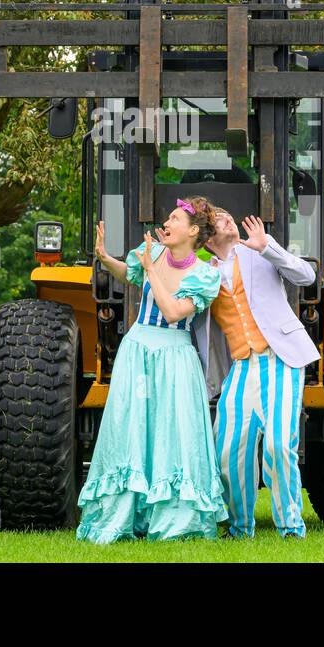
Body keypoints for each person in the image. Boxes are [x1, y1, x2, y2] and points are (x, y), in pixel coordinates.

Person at [77, 197, 227, 543]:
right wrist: (105, 259)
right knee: (131, 429)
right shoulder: (151, 254)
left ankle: (174, 521)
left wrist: (151, 270)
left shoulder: (205, 275)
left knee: (172, 432)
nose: (167, 223)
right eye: (169, 217)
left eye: (175, 218)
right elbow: (131, 275)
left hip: (175, 354)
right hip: (138, 349)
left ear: (192, 232)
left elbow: (174, 312)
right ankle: (122, 517)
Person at [196, 208, 318, 539]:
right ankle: (239, 528)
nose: (228, 218)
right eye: (220, 218)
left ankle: (291, 528)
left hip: (281, 359)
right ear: (208, 238)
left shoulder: (258, 251)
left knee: (278, 446)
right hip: (240, 367)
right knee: (228, 451)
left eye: (225, 214)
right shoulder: (203, 274)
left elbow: (306, 276)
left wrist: (268, 247)